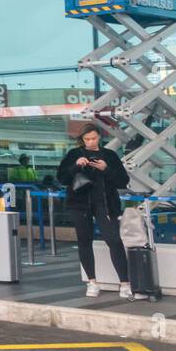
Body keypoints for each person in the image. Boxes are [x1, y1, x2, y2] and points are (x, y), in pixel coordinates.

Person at [56, 123, 131, 299]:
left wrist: (106, 169)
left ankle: (125, 283)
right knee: (84, 241)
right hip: (80, 204)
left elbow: (123, 181)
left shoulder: (109, 155)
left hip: (106, 204)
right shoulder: (74, 154)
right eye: (87, 139)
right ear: (82, 139)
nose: (90, 142)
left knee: (114, 240)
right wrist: (76, 166)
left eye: (94, 138)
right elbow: (62, 178)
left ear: (99, 137)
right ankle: (92, 282)